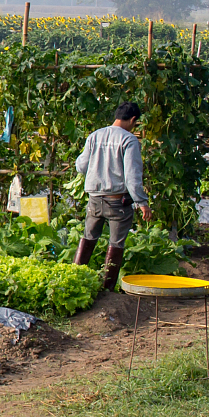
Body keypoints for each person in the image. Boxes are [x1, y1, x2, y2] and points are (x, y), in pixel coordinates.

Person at [73, 101, 151, 289]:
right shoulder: (129, 140)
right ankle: (106, 289)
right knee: (116, 243)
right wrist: (142, 202)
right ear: (133, 120)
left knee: (88, 237)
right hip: (117, 203)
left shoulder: (95, 136)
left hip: (94, 200)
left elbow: (81, 166)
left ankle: (74, 278)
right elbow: (132, 176)